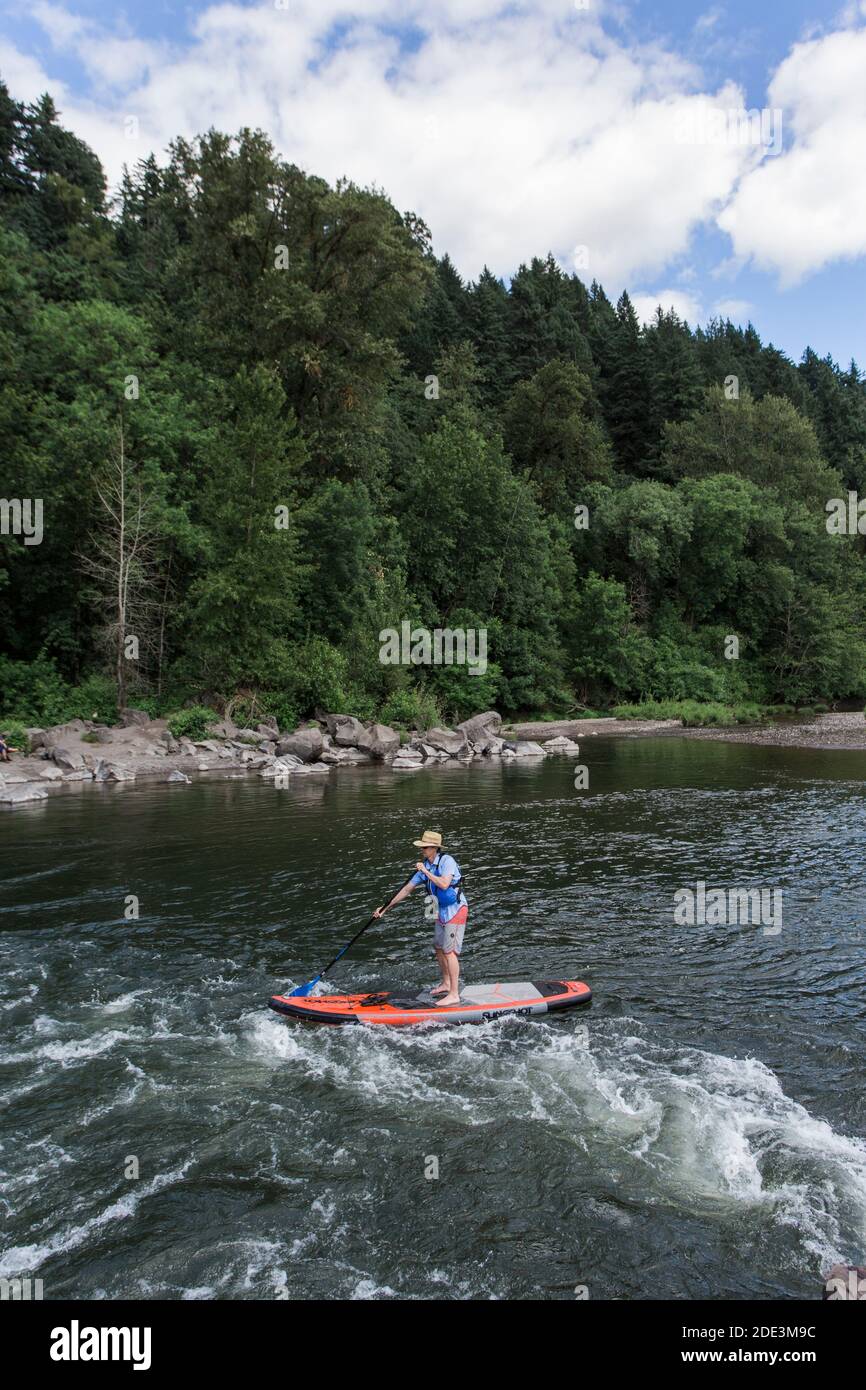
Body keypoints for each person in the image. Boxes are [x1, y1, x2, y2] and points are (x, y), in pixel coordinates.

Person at [373, 830, 468, 1005]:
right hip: (440, 910)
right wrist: (386, 907)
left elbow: (445, 884)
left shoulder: (447, 861)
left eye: (425, 847)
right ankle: (446, 984)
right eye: (422, 847)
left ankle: (454, 994)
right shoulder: (425, 865)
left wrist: (425, 870)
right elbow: (406, 890)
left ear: (434, 848)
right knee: (438, 947)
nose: (422, 850)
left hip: (456, 910)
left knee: (450, 952)